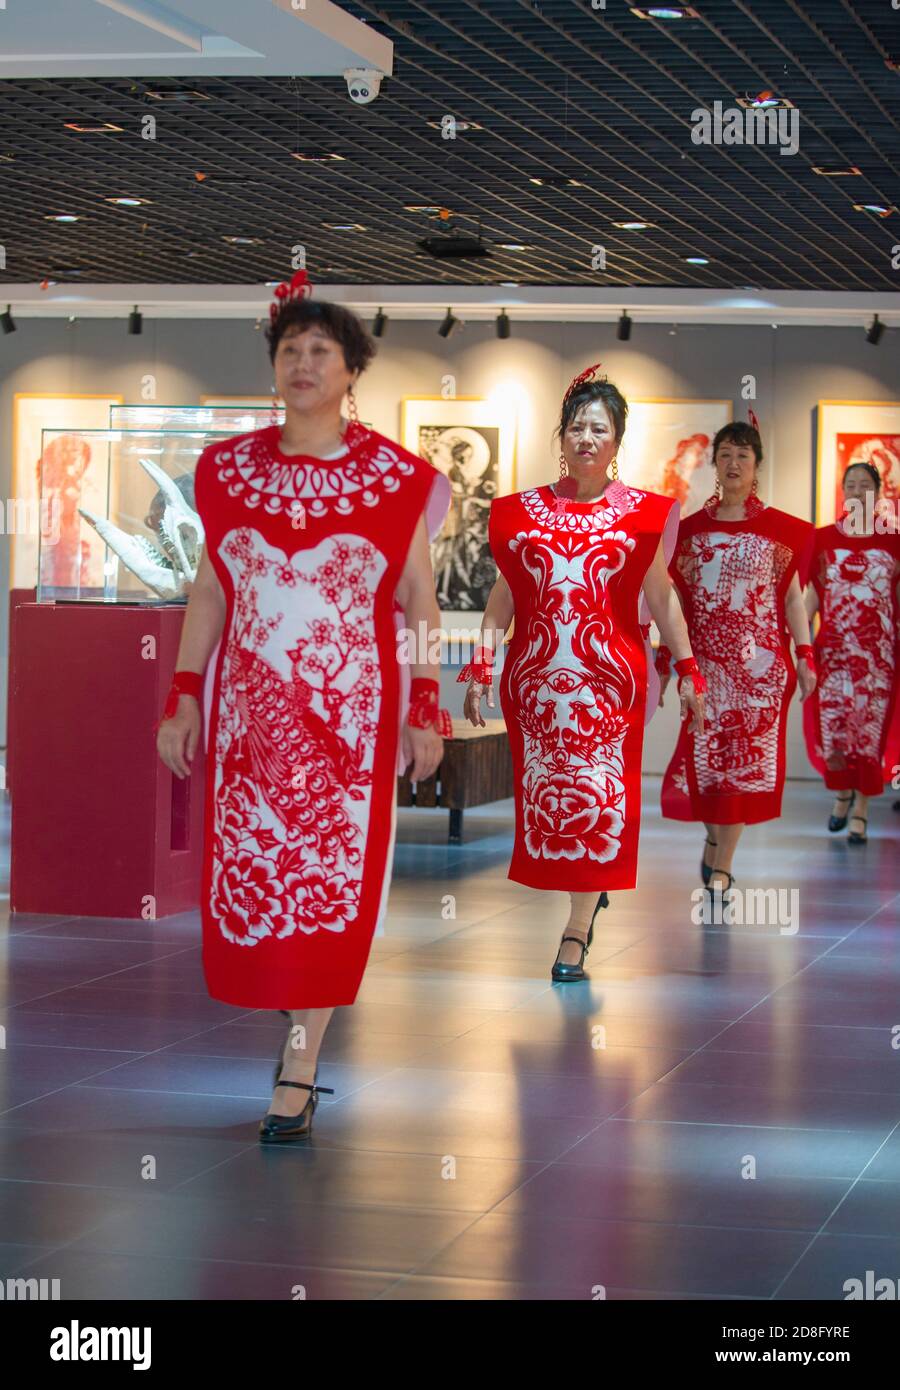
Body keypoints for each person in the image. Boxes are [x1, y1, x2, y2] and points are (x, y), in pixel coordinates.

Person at [156, 271, 451, 1143]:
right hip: (248, 721)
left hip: (349, 726)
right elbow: (210, 589)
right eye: (290, 350)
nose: (304, 364)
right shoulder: (226, 471)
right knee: (258, 882)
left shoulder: (397, 480)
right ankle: (292, 1024)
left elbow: (422, 602)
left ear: (352, 369)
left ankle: (303, 1059)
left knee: (329, 889)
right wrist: (183, 697)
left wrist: (424, 706)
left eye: (322, 351)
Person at [462, 364, 705, 981]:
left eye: (599, 429)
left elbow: (664, 598)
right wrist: (482, 664)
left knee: (600, 802)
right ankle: (580, 898)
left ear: (617, 441)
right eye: (576, 427)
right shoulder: (525, 514)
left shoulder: (643, 515)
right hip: (538, 687)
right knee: (550, 803)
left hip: (610, 689)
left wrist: (690, 671)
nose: (586, 438)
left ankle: (576, 929)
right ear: (561, 437)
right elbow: (503, 599)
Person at [657, 421, 815, 904]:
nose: (733, 464)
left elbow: (792, 601)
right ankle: (713, 836)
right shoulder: (689, 534)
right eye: (725, 454)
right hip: (705, 668)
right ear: (715, 463)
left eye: (743, 456)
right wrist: (668, 665)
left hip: (760, 673)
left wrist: (804, 655)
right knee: (707, 761)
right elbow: (672, 604)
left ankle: (724, 863)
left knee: (745, 770)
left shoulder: (779, 532)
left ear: (757, 466)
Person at [802, 461, 900, 844]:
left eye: (865, 485)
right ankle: (842, 793)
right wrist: (802, 645)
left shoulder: (894, 540)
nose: (858, 491)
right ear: (842, 491)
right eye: (851, 484)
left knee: (869, 732)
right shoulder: (823, 539)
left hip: (879, 657)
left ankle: (860, 808)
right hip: (835, 654)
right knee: (837, 732)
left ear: (878, 492)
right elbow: (811, 598)